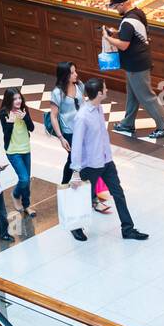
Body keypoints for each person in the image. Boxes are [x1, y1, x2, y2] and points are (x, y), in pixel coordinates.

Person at [70, 77, 147, 242]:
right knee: (85, 197)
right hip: (90, 164)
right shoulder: (82, 117)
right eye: (104, 89)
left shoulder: (99, 108)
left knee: (118, 193)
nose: (106, 91)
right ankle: (76, 226)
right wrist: (76, 171)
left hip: (106, 160)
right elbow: (76, 145)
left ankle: (128, 229)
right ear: (98, 93)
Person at [104, 0, 164, 140]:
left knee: (146, 96)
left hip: (136, 64)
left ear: (122, 4)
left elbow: (123, 45)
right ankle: (127, 123)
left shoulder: (128, 22)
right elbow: (134, 34)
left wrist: (108, 38)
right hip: (138, 60)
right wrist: (118, 32)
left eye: (116, 7)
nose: (116, 10)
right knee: (132, 95)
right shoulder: (138, 13)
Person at [49, 61, 111, 213]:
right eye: (72, 72)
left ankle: (85, 193)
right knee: (75, 160)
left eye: (75, 71)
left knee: (81, 161)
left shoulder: (79, 86)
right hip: (70, 132)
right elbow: (54, 116)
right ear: (65, 75)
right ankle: (73, 189)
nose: (76, 74)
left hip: (84, 129)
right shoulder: (57, 93)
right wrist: (61, 137)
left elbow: (88, 100)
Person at [0, 88, 35, 218]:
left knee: (27, 180)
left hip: (26, 149)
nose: (18, 101)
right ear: (9, 100)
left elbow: (32, 128)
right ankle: (15, 194)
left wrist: (25, 118)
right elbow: (6, 134)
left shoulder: (24, 110)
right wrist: (11, 123)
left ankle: (27, 205)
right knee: (23, 178)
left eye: (19, 98)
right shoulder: (4, 113)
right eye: (15, 99)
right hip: (13, 151)